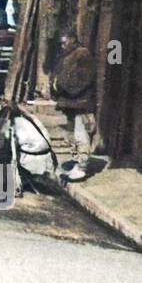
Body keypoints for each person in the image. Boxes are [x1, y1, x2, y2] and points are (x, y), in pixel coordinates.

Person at [51, 31, 96, 181]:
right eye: (61, 43)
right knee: (73, 135)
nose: (63, 46)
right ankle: (77, 161)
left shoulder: (83, 55)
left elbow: (82, 79)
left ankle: (82, 166)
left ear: (73, 40)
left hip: (80, 102)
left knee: (81, 134)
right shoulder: (68, 55)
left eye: (65, 42)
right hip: (71, 102)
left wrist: (61, 84)